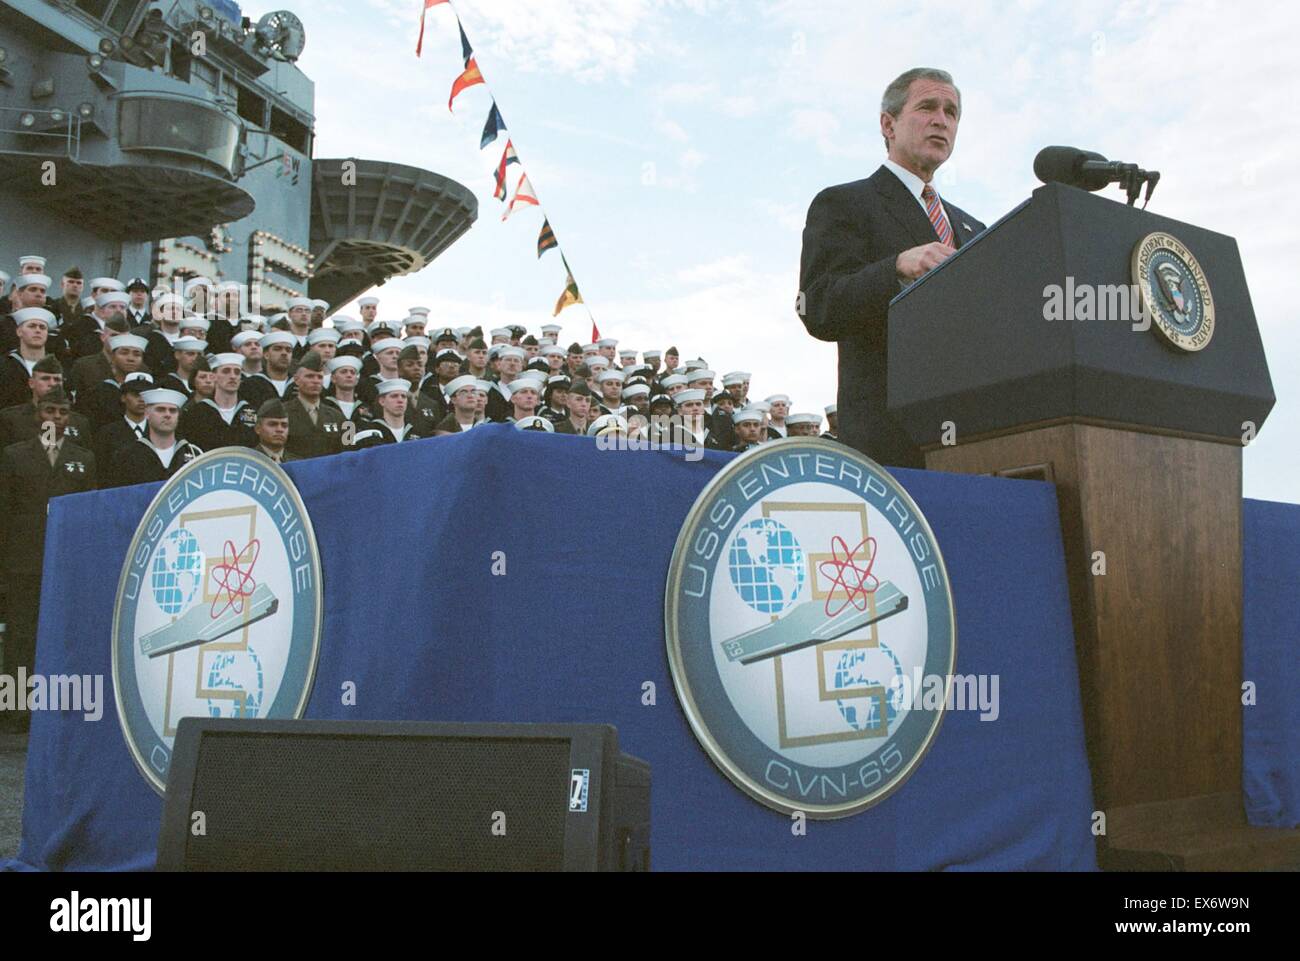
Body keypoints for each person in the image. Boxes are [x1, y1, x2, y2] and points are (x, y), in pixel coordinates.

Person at [798, 67, 984, 468]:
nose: (941, 120)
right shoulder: (845, 203)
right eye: (927, 107)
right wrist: (896, 267)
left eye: (952, 112)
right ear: (888, 124)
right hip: (891, 443)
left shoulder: (975, 229)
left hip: (977, 437)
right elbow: (819, 306)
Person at [0, 388, 96, 732]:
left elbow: (89, 515)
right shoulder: (14, 456)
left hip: (67, 561)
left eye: (62, 412)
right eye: (50, 410)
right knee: (22, 635)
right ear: (38, 413)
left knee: (65, 631)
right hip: (24, 560)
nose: (55, 418)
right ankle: (17, 707)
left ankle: (59, 703)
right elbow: (5, 513)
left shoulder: (83, 458)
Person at [108, 388, 203, 487]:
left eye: (173, 411)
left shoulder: (193, 453)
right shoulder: (126, 456)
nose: (167, 415)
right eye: (160, 410)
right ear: (146, 414)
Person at [180, 353, 257, 453]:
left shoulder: (250, 411)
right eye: (226, 371)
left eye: (237, 372)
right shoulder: (197, 412)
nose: (233, 376)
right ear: (213, 377)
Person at [284, 352, 347, 459]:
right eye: (310, 376)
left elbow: (349, 447)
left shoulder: (337, 416)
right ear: (296, 379)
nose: (315, 381)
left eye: (319, 377)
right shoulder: (283, 412)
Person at [352, 379, 423, 448]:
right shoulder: (369, 431)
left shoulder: (417, 432)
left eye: (403, 396)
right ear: (382, 401)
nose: (400, 400)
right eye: (394, 396)